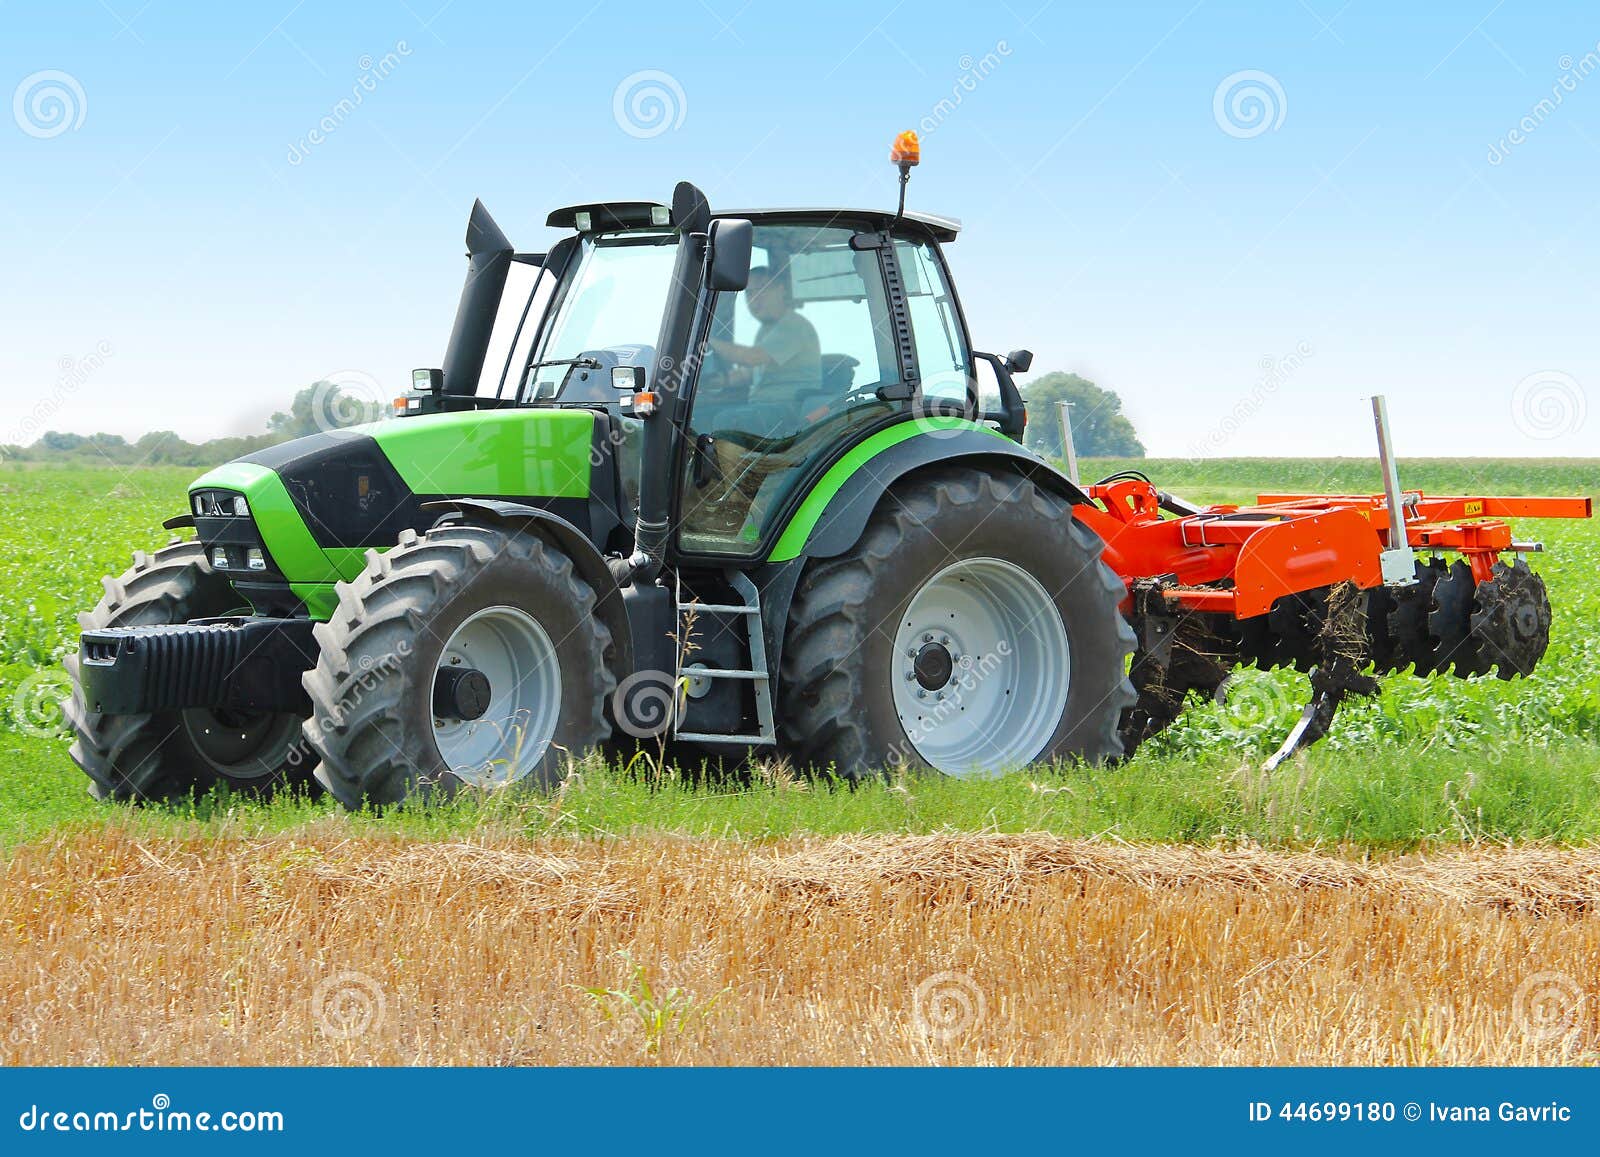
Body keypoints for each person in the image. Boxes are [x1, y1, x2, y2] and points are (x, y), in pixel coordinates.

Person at [706, 266, 821, 398]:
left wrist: (706, 342)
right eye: (749, 293)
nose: (755, 298)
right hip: (768, 405)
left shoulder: (793, 325)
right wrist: (714, 382)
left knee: (722, 418)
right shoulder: (767, 329)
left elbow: (753, 358)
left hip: (789, 407)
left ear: (781, 289)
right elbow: (750, 373)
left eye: (762, 290)